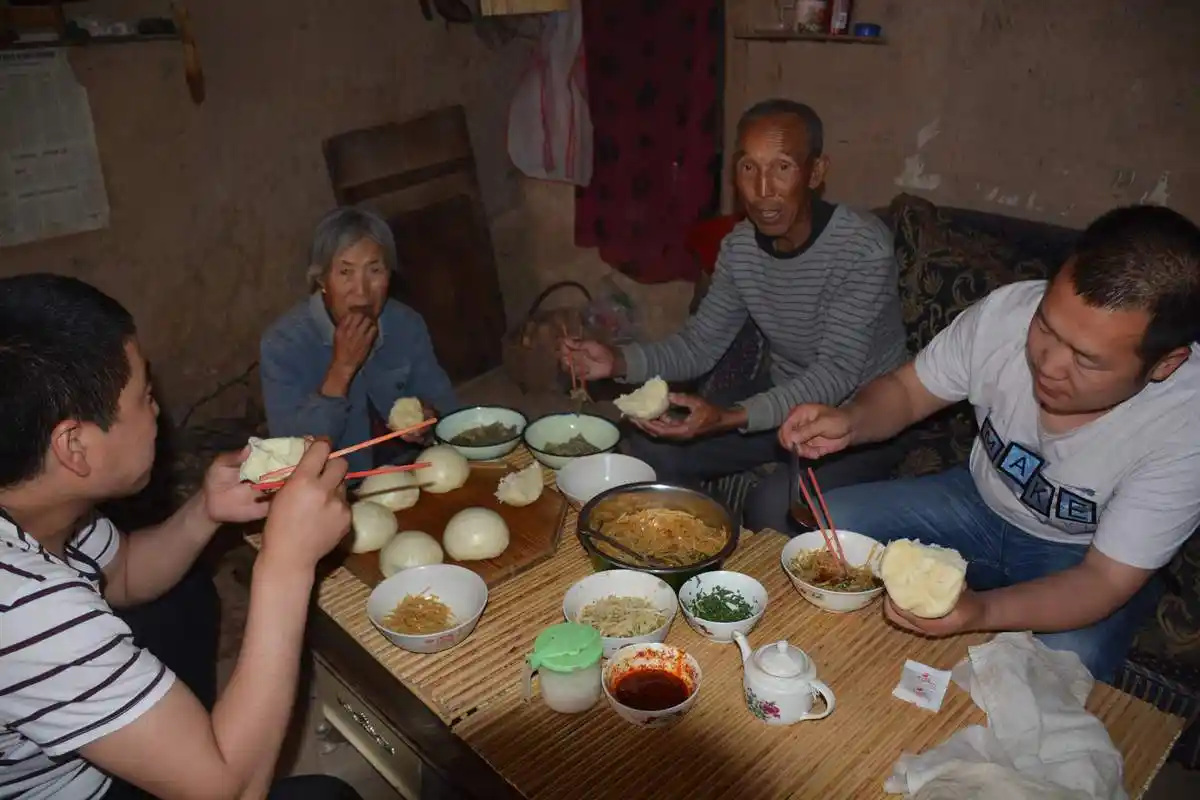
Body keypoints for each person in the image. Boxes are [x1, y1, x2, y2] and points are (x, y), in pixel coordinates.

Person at [778, 205, 1200, 684]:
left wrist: (979, 611)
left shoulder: (1187, 427)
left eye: (1086, 359)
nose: (1049, 363)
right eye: (1046, 326)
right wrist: (852, 418)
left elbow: (1102, 581)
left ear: (1164, 365)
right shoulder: (1007, 313)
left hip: (1083, 556)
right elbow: (908, 391)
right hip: (976, 500)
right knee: (827, 533)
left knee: (1066, 663)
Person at [0, 274, 362, 799]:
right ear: (73, 446)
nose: (158, 411)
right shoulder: (26, 609)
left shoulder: (36, 502)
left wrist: (205, 511)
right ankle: (197, 752)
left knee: (185, 598)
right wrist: (286, 564)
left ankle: (181, 741)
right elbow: (232, 796)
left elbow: (120, 572)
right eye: (144, 397)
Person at [559, 99, 908, 530]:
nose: (763, 190)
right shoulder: (740, 248)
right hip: (782, 395)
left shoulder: (861, 248)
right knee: (651, 445)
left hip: (862, 417)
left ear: (816, 172)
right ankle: (688, 550)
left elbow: (835, 373)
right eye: (748, 169)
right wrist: (617, 360)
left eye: (782, 167)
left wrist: (729, 416)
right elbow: (700, 343)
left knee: (772, 506)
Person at [260, 208, 458, 472]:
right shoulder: (283, 345)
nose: (362, 291)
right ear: (322, 280)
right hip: (338, 487)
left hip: (410, 468)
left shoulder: (405, 324)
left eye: (374, 270)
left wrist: (428, 418)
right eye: (345, 272)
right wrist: (341, 370)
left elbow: (446, 406)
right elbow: (290, 456)